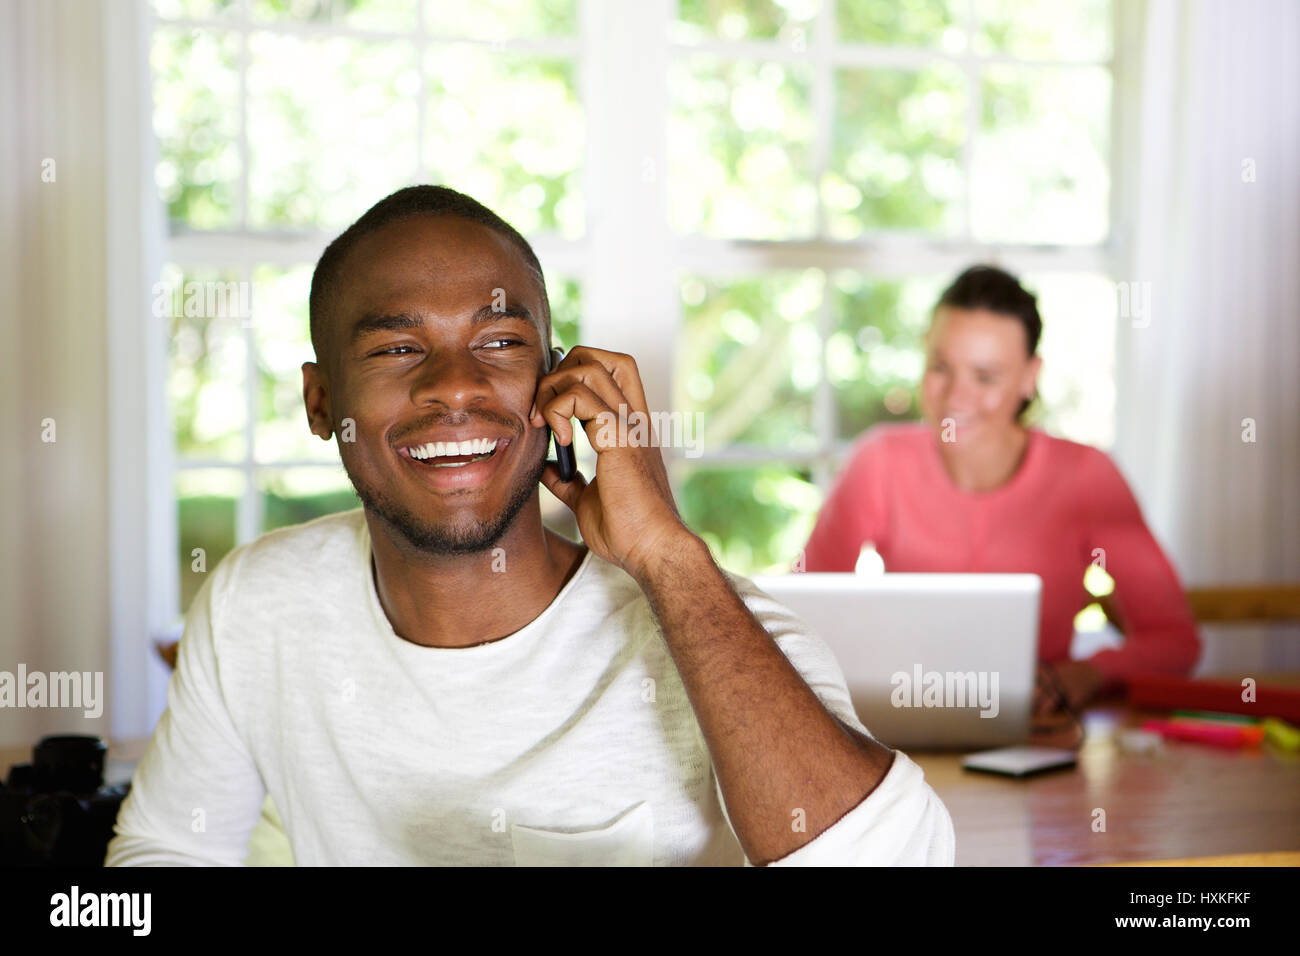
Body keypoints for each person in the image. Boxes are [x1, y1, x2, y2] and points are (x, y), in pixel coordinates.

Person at [107, 186, 953, 866]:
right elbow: (166, 851)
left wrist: (665, 552)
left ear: (557, 386)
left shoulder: (704, 619)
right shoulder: (257, 604)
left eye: (502, 342)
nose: (456, 386)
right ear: (321, 402)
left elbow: (895, 860)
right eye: (399, 350)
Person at [802, 265, 1199, 722]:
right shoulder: (879, 462)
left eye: (986, 377)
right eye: (940, 368)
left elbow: (1175, 642)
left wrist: (1087, 674)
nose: (956, 396)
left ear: (1030, 376)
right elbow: (800, 617)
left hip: (1038, 737)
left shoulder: (1086, 476)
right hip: (906, 730)